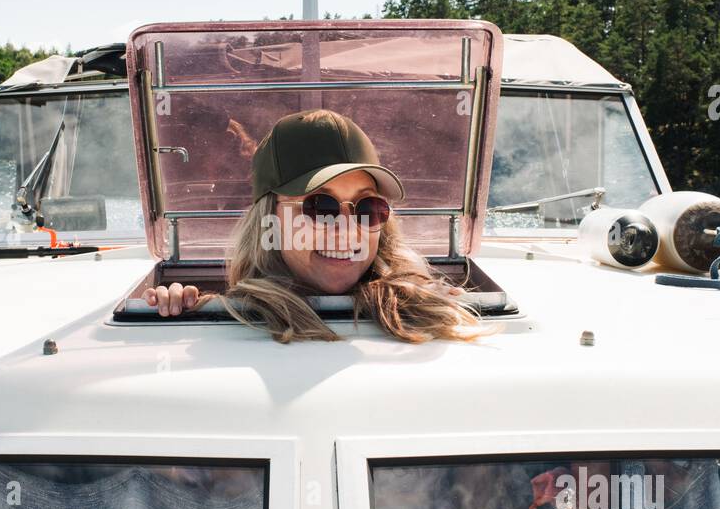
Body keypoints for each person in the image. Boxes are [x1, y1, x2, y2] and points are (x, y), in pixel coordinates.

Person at [141, 109, 486, 343]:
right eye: (321, 206)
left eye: (369, 207)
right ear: (269, 219)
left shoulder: (424, 309)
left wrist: (429, 302)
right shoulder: (225, 322)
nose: (348, 229)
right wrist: (180, 308)